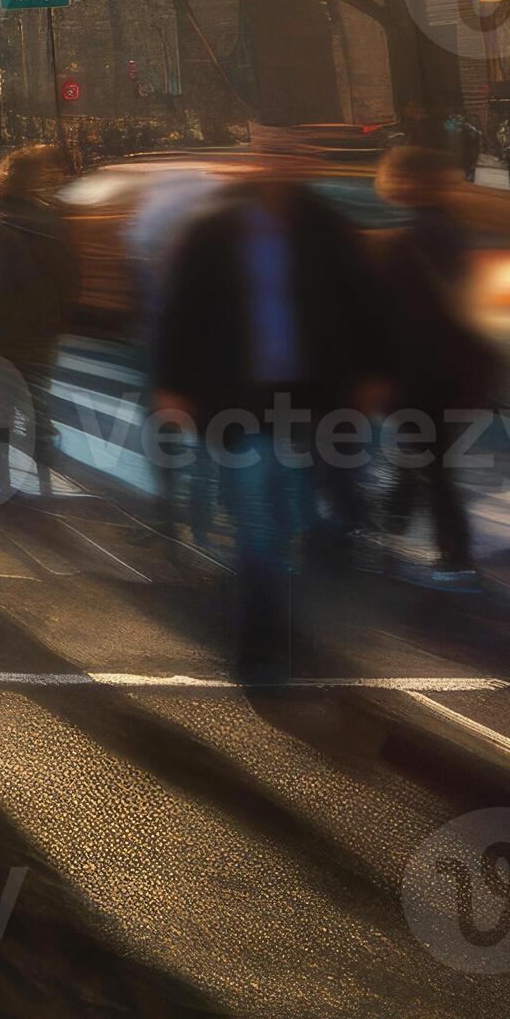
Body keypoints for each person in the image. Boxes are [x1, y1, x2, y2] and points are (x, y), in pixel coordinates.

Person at [148, 167, 383, 686]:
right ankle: (263, 650)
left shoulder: (326, 229)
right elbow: (181, 312)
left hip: (315, 405)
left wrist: (370, 375)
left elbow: (364, 306)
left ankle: (290, 632)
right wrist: (174, 385)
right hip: (245, 405)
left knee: (301, 522)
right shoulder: (213, 231)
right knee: (261, 527)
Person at [368, 147, 495, 589]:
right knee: (419, 455)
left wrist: (382, 372)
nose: (391, 184)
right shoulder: (448, 228)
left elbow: (399, 317)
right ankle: (392, 520)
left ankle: (455, 558)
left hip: (424, 373)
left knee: (432, 464)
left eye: (398, 177)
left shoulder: (414, 238)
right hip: (452, 370)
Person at [0, 148, 81, 499]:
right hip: (41, 333)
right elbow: (71, 281)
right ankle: (43, 475)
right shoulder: (56, 227)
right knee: (37, 404)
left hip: (0, 336)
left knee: (1, 406)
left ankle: (3, 479)